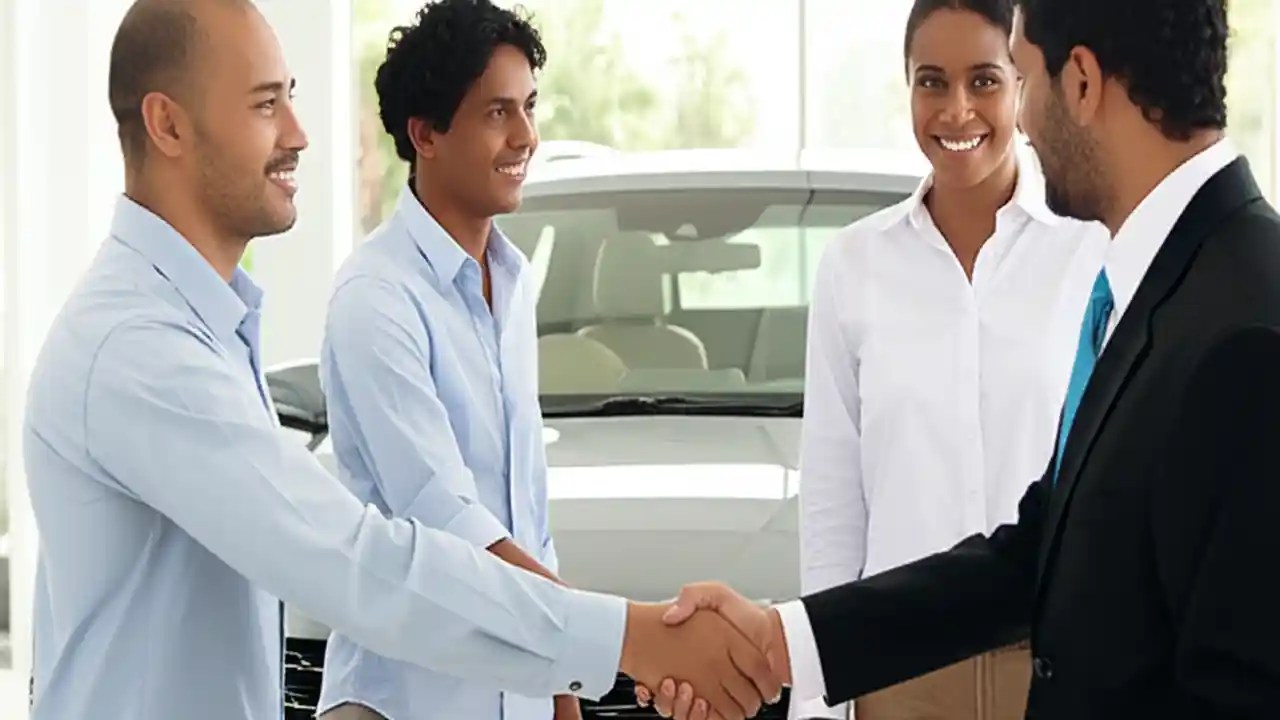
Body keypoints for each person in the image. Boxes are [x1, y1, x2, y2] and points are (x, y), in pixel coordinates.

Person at [21, 2, 781, 719]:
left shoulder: (205, 324)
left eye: (289, 96)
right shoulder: (139, 348)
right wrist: (629, 639)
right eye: (264, 105)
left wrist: (577, 658)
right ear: (168, 125)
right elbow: (351, 556)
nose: (299, 133)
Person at [644, 0, 1280, 718]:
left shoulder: (1245, 329)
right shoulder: (1168, 285)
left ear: (1079, 83)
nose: (1024, 121)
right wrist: (782, 639)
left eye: (1017, 80)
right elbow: (1038, 552)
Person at [792, 1, 1105, 717]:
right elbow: (836, 505)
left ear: (1023, 88)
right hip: (897, 671)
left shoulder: (1090, 254)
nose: (957, 109)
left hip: (1055, 667)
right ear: (907, 86)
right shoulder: (854, 266)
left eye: (985, 81)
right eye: (931, 81)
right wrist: (821, 700)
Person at [313, 2, 586, 719]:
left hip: (515, 697)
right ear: (426, 133)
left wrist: (560, 684)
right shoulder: (377, 299)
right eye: (499, 113)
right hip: (408, 700)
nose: (527, 136)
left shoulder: (515, 281)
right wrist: (602, 641)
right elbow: (450, 524)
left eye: (529, 107)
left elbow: (526, 518)